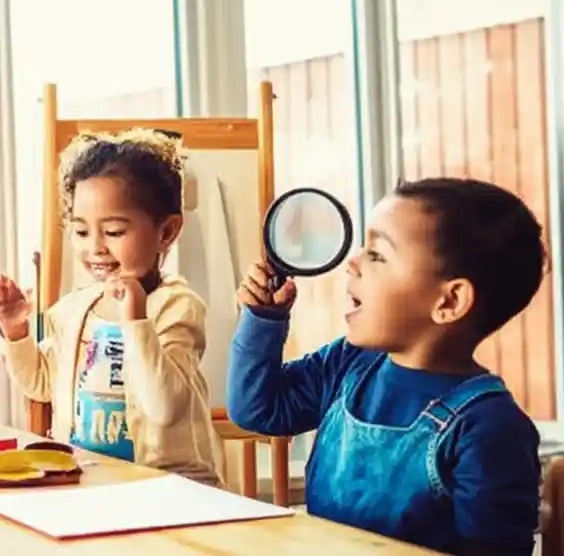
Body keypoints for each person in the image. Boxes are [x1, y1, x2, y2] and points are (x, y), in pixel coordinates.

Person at [227, 177, 544, 555]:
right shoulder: (350, 363)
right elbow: (259, 409)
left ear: (450, 300)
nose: (353, 263)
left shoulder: (491, 429)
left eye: (377, 254)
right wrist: (263, 318)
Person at [0, 129, 223, 486]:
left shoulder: (175, 306)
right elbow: (41, 384)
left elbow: (163, 409)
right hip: (93, 484)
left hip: (169, 488)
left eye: (113, 231)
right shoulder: (77, 308)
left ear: (166, 232)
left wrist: (136, 321)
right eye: (82, 232)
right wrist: (15, 331)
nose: (95, 247)